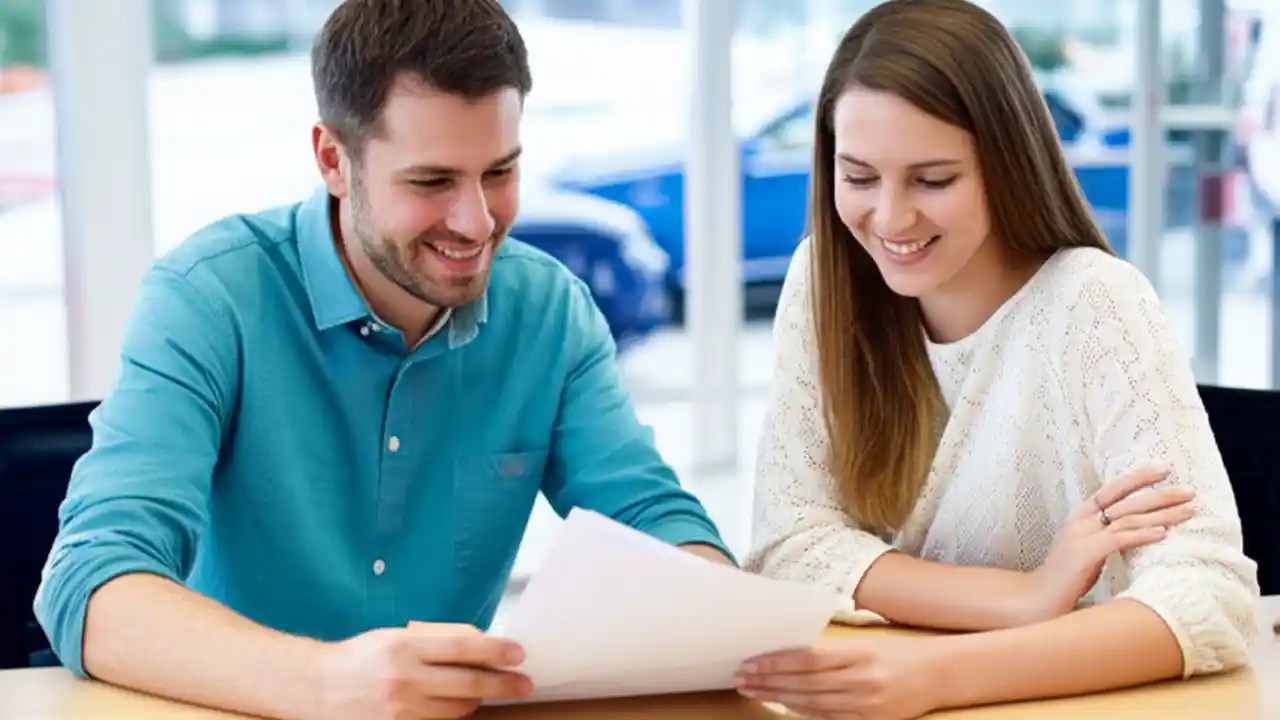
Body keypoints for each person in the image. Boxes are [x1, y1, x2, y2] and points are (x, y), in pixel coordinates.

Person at [34, 1, 733, 719]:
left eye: (499, 172)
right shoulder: (208, 298)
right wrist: (327, 683)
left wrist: (736, 623)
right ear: (334, 160)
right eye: (431, 183)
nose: (477, 222)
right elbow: (91, 584)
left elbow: (648, 514)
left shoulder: (550, 311)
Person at [738, 1, 1261, 718]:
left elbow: (1207, 595)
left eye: (932, 180)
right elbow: (789, 544)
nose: (889, 219)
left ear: (1007, 166)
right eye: (859, 178)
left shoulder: (1095, 303)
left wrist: (937, 677)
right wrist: (1026, 597)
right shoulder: (823, 278)